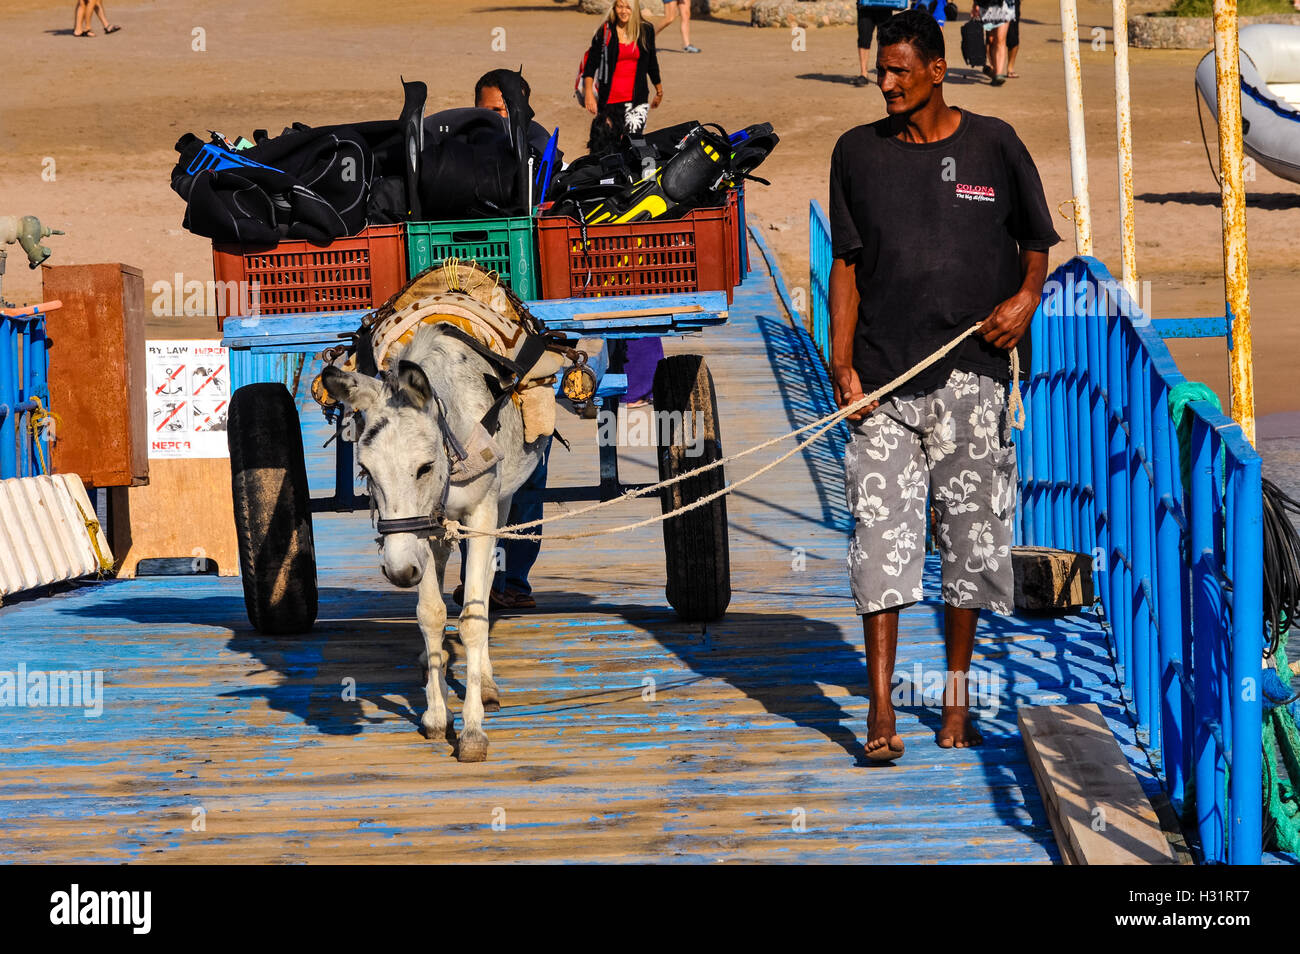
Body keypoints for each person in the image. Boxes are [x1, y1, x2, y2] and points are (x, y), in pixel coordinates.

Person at [827, 9, 1058, 759]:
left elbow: (1036, 244)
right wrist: (840, 364)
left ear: (936, 71)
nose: (884, 82)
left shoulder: (995, 144)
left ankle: (957, 700)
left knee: (971, 546)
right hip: (885, 385)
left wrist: (1026, 300)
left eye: (898, 70)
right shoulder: (856, 154)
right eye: (879, 69)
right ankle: (882, 711)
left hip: (977, 382)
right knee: (879, 546)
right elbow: (847, 265)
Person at [582, 0, 663, 136]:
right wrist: (589, 93)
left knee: (633, 145)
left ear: (634, 9)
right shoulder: (605, 31)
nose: (623, 11)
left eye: (628, 7)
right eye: (620, 6)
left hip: (637, 100)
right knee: (607, 148)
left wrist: (659, 91)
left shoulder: (645, 31)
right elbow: (590, 65)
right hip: (609, 100)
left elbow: (652, 64)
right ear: (614, 8)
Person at [854, 0, 896, 87]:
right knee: (864, 39)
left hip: (885, 6)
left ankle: (885, 73)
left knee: (885, 40)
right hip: (865, 7)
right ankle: (863, 74)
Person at [973, 0, 1015, 84]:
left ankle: (998, 74)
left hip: (1005, 5)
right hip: (986, 6)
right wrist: (975, 4)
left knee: (1000, 39)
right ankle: (994, 70)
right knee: (991, 40)